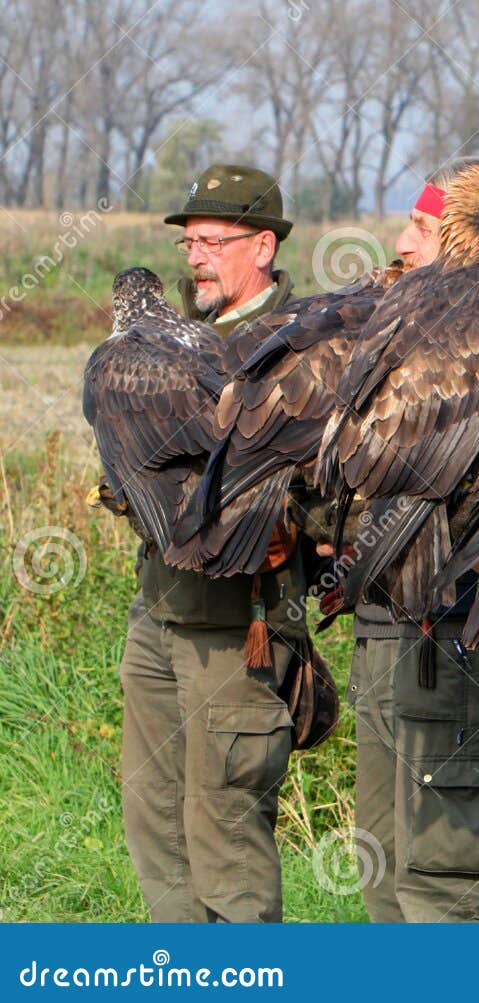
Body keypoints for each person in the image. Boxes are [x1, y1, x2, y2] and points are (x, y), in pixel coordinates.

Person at [119, 163, 306, 921]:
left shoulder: (300, 344)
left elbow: (334, 483)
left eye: (211, 240)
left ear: (262, 245)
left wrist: (289, 523)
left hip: (240, 629)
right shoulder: (178, 340)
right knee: (154, 824)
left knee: (224, 835)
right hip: (158, 613)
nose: (193, 256)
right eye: (188, 240)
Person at [341, 159, 479, 922]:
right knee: (401, 856)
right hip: (413, 537)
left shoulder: (452, 290)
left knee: (443, 862)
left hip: (439, 580)